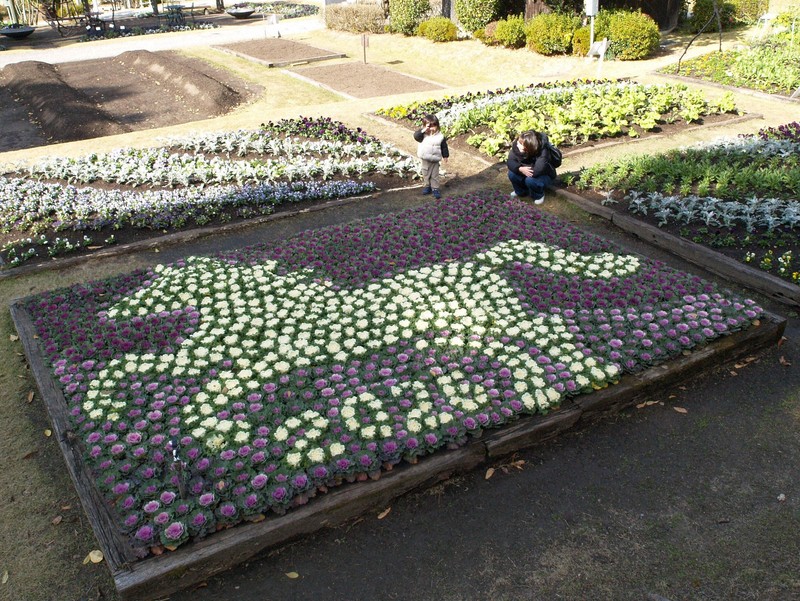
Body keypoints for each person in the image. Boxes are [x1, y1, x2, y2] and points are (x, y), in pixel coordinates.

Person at [506, 129, 556, 205]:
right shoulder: (516, 147)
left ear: (529, 147)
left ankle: (538, 195)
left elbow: (537, 170)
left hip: (544, 175)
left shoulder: (543, 151)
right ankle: (520, 191)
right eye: (519, 142)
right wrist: (520, 169)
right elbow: (510, 161)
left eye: (521, 144)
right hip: (526, 171)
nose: (517, 144)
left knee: (530, 180)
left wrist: (524, 170)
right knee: (512, 174)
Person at [413, 114, 449, 200]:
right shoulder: (423, 135)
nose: (432, 128)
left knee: (434, 175)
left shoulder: (440, 136)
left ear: (437, 126)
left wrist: (445, 156)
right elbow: (416, 136)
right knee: (426, 173)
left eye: (434, 126)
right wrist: (423, 130)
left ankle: (435, 188)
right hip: (425, 158)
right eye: (429, 126)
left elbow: (444, 147)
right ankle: (427, 186)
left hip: (435, 160)